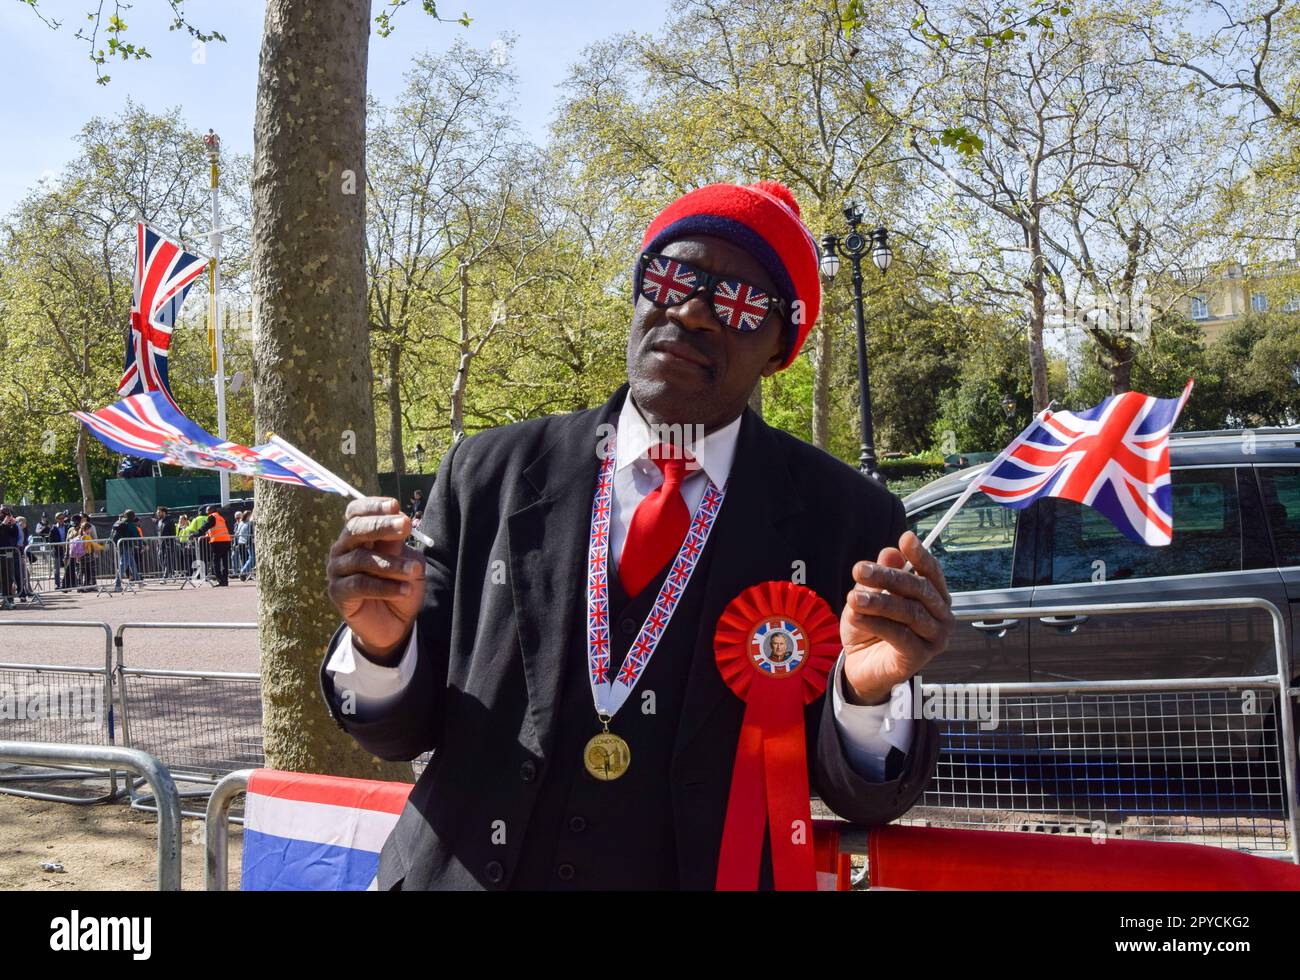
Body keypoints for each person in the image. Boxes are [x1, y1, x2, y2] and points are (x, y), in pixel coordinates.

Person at [321, 180, 955, 890]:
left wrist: (865, 699)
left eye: (741, 305)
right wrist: (382, 649)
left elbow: (869, 796)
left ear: (782, 348)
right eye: (674, 277)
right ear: (639, 292)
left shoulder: (851, 521)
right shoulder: (487, 474)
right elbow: (397, 732)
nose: (692, 312)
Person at [195, 505, 232, 587]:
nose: (206, 512)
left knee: (216, 562)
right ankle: (225, 581)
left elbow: (205, 527)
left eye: (208, 510)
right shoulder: (220, 517)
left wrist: (196, 534)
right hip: (226, 540)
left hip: (218, 542)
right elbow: (216, 529)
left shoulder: (212, 517)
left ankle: (220, 581)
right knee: (225, 562)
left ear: (212, 510)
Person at [111, 509, 144, 589]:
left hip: (119, 545)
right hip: (127, 546)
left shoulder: (118, 523)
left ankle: (139, 581)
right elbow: (137, 536)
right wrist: (142, 545)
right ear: (132, 517)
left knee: (132, 564)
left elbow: (112, 534)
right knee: (122, 565)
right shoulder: (130, 524)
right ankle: (118, 585)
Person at [0, 509, 18, 609]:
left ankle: (8, 599)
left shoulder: (8, 524)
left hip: (8, 553)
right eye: (3, 513)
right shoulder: (2, 523)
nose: (5, 516)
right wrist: (3, 523)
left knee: (8, 577)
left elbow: (14, 534)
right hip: (0, 554)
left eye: (7, 514)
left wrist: (14, 524)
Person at [155, 506, 178, 581]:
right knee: (160, 558)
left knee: (167, 560)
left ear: (163, 513)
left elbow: (173, 534)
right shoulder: (159, 521)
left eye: (159, 512)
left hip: (168, 544)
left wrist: (171, 542)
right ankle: (170, 572)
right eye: (157, 512)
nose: (157, 513)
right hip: (160, 544)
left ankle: (166, 575)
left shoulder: (170, 521)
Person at [237, 507, 256, 581]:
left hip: (241, 542)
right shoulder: (249, 523)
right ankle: (243, 571)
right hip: (247, 542)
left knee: (246, 559)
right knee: (252, 558)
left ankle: (245, 573)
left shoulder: (241, 523)